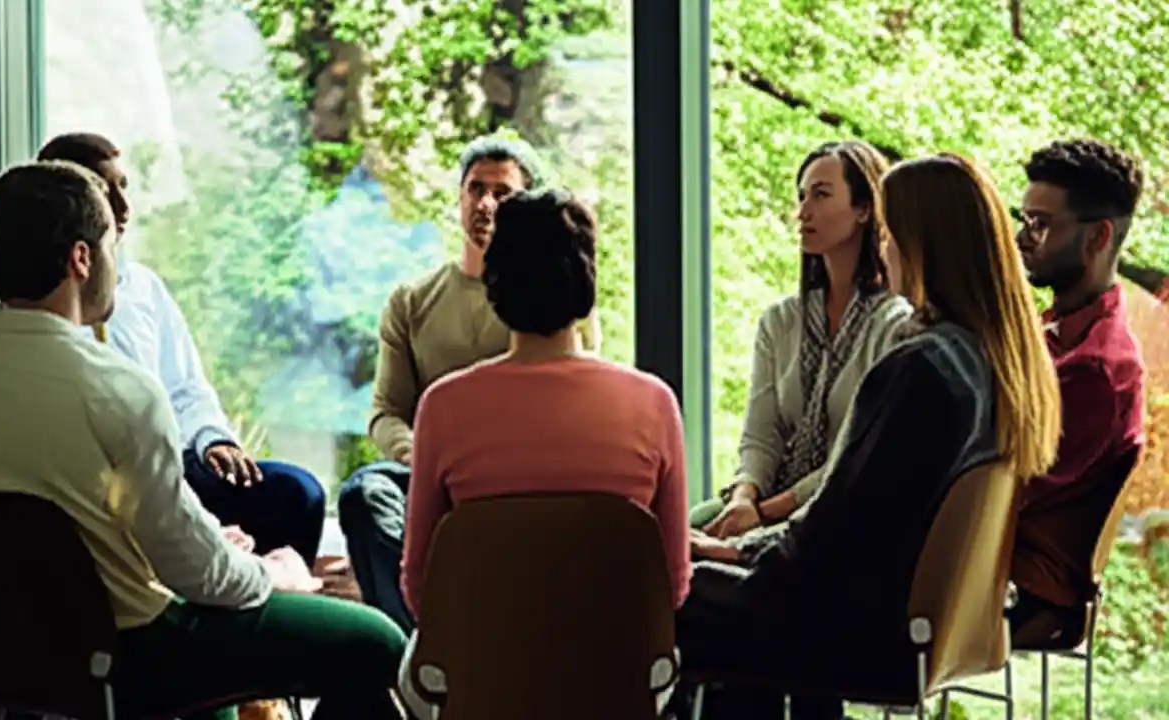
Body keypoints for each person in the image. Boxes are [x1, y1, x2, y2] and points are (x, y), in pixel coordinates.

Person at [0, 161, 406, 719]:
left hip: (7, 656)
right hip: (135, 653)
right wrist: (274, 574)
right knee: (375, 641)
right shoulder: (114, 387)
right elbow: (194, 575)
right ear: (81, 258)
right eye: (108, 245)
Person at [673, 154, 1061, 719]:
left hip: (858, 625)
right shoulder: (986, 363)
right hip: (893, 615)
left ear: (921, 242)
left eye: (890, 234)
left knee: (662, 586)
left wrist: (729, 555)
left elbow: (830, 538)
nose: (883, 249)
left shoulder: (921, 369)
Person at [395, 188, 689, 718]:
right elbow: (670, 583)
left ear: (494, 282)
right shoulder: (653, 404)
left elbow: (421, 585)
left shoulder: (443, 407)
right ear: (587, 280)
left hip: (481, 691)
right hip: (613, 688)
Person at [0, 133, 328, 567]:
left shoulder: (143, 288)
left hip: (174, 461)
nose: (122, 208)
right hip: (105, 479)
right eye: (105, 191)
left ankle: (282, 602)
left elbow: (187, 386)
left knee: (297, 493)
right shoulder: (9, 310)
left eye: (124, 187)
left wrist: (211, 439)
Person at [338, 134, 603, 633]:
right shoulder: (411, 302)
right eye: (474, 189)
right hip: (431, 469)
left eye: (501, 194)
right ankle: (419, 647)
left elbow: (579, 396)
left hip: (527, 472)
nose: (484, 204)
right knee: (364, 494)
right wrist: (425, 455)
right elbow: (385, 411)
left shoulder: (561, 300)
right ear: (458, 198)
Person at [688, 141, 912, 562]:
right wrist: (743, 496)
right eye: (801, 196)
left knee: (701, 555)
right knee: (681, 532)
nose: (803, 211)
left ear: (864, 209)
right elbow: (761, 433)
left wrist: (768, 510)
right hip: (764, 501)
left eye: (821, 195)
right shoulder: (780, 322)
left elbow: (854, 458)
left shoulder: (895, 326)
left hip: (836, 512)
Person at [1009, 139, 1146, 645]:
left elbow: (1002, 489)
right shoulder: (1060, 333)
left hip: (1017, 589)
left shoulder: (1097, 369)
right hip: (991, 565)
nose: (1024, 238)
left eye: (1041, 224)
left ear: (1097, 237)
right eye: (1024, 220)